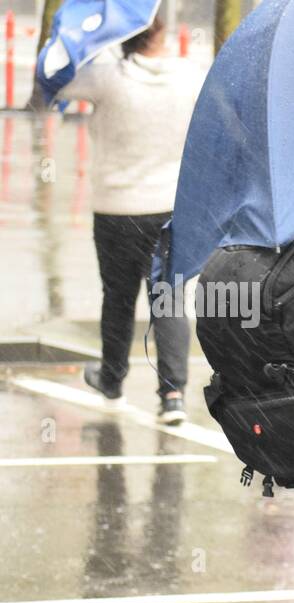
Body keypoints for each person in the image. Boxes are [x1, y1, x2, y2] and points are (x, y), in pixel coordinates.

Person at [58, 17, 203, 424]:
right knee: (169, 299)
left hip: (117, 209)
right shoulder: (189, 78)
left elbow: (54, 81)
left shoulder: (104, 79)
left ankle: (112, 379)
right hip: (171, 208)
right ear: (166, 31)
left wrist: (83, 37)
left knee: (118, 298)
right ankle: (172, 394)